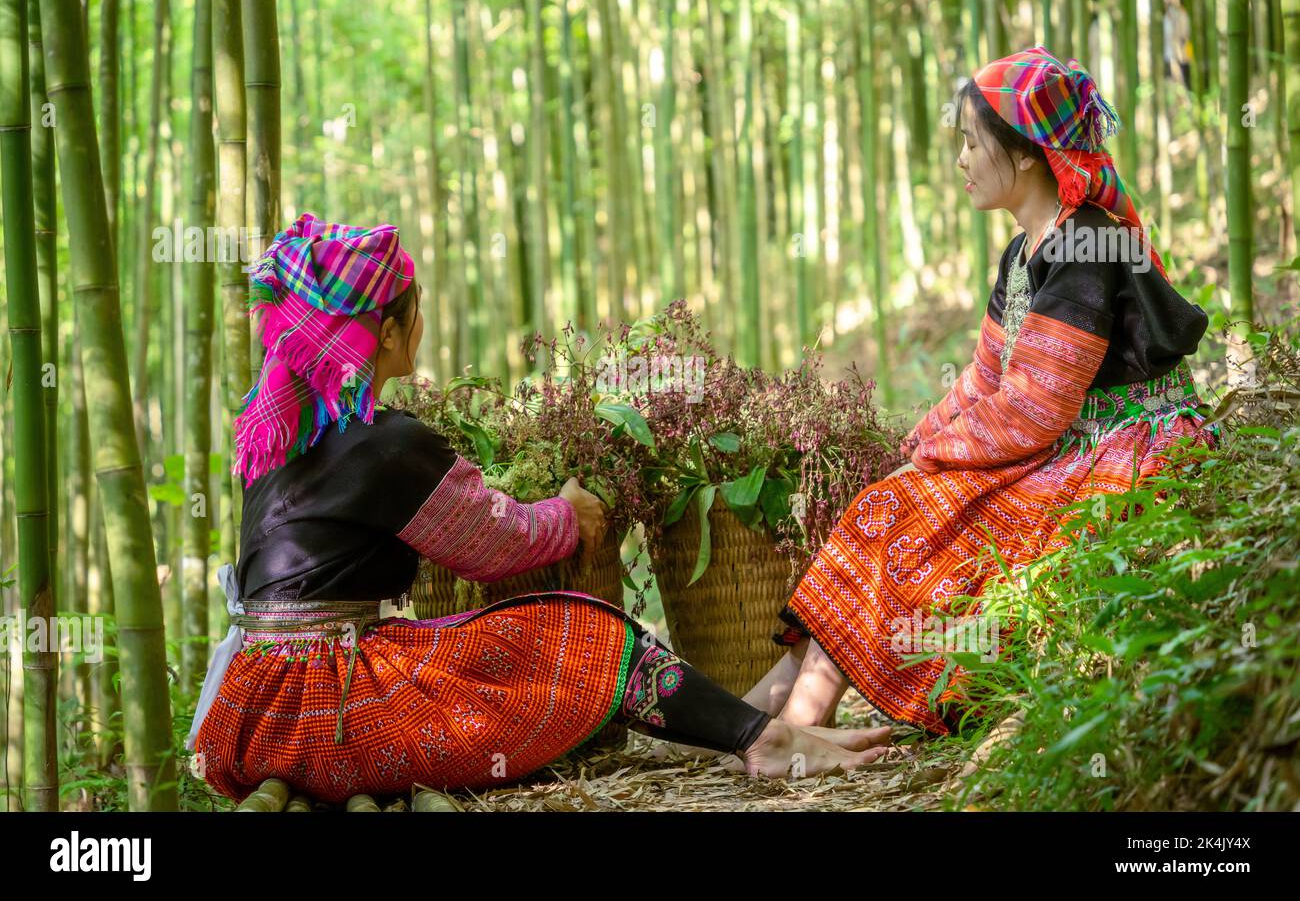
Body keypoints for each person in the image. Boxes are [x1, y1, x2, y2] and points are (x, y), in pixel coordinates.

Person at [188, 213, 891, 805]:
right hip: (323, 708)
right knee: (588, 636)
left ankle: (759, 723)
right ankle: (763, 740)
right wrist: (568, 511)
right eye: (416, 307)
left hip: (246, 712)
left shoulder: (275, 426)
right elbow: (493, 542)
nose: (423, 321)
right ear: (391, 333)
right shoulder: (386, 443)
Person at [746, 47, 1217, 735]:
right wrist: (924, 436)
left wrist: (935, 456)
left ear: (1025, 155)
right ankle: (777, 709)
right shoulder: (1025, 248)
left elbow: (1032, 409)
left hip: (1119, 453)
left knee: (907, 509)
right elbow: (987, 378)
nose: (961, 160)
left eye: (971, 142)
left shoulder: (1088, 246)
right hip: (1065, 441)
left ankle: (796, 720)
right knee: (893, 500)